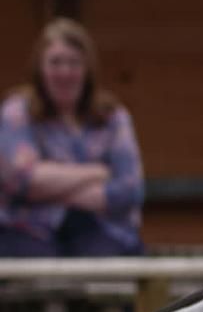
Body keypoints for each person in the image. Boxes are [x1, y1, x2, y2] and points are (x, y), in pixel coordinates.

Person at [0, 18, 145, 258]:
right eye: (56, 62)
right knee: (35, 265)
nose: (65, 72)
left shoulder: (112, 117)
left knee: (103, 262)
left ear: (87, 68)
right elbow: (22, 179)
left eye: (74, 63)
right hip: (26, 231)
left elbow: (129, 191)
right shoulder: (17, 112)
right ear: (40, 67)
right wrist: (96, 172)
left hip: (100, 232)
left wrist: (51, 188)